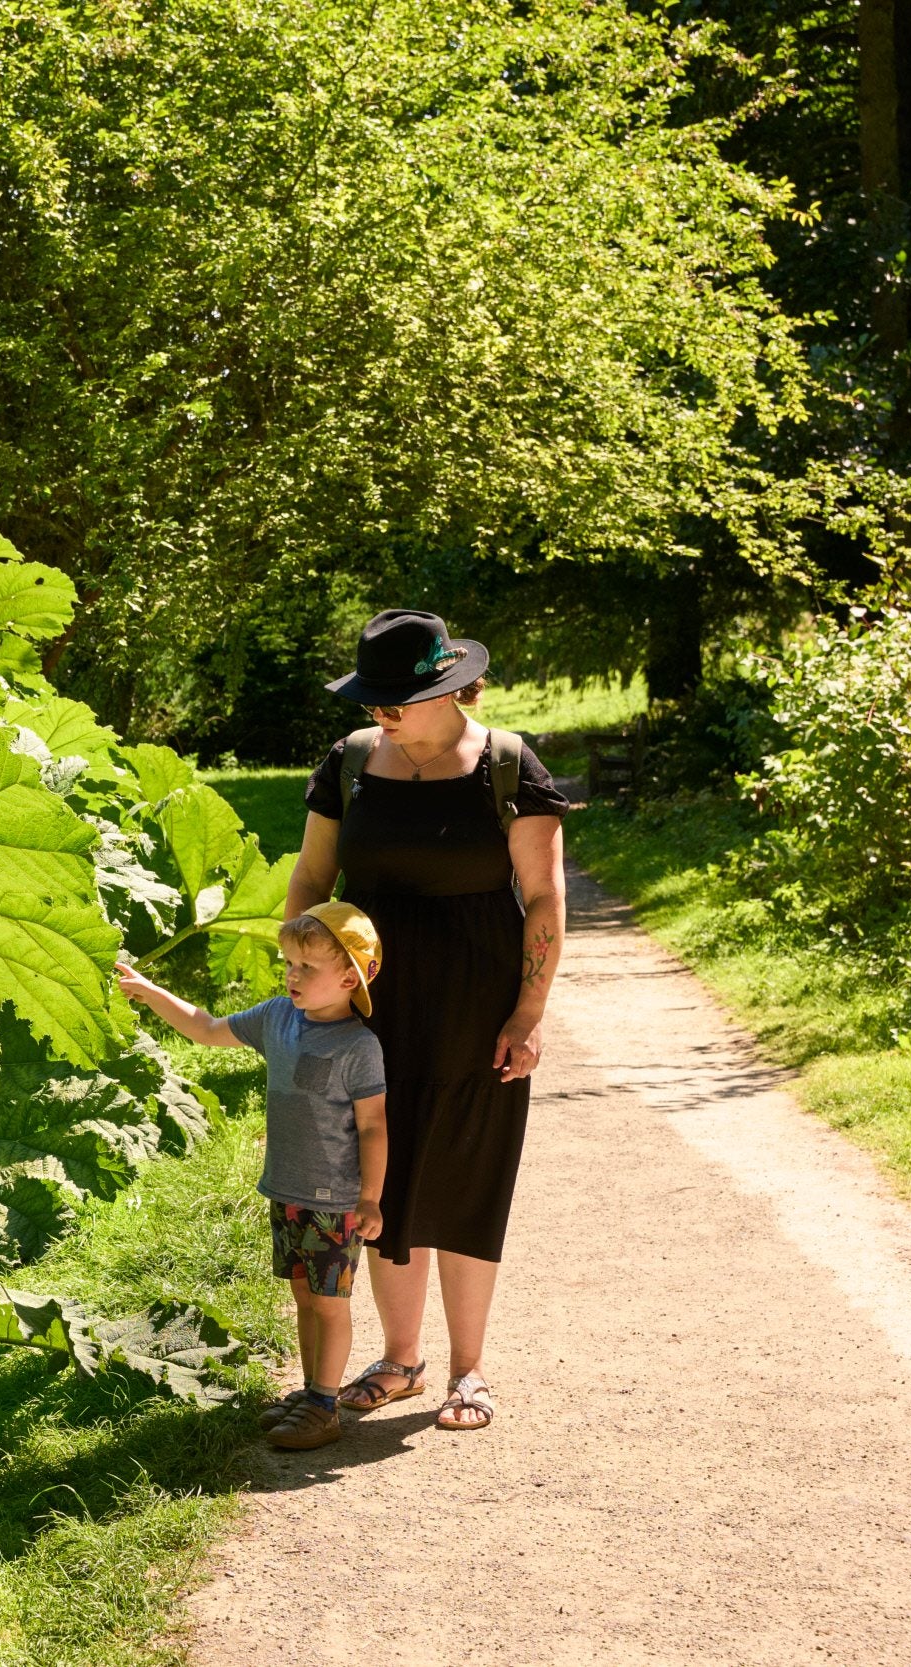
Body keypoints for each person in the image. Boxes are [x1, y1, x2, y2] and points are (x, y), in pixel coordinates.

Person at [287, 608, 569, 1432]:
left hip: (478, 1000)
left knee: (472, 1175)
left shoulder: (507, 765)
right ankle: (400, 1358)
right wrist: (303, 972)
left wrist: (529, 1010)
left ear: (447, 689)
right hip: (368, 1005)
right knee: (386, 1177)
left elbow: (546, 896)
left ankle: (468, 1368)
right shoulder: (349, 764)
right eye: (372, 697)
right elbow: (311, 875)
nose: (380, 711)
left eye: (394, 699)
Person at [117, 903, 387, 1452]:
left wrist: (371, 1199)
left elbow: (374, 1128)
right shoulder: (276, 1018)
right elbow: (209, 1029)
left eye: (306, 967)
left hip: (334, 1201)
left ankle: (325, 1407)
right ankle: (312, 1391)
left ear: (349, 977)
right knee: (304, 1298)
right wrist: (150, 991)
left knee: (330, 1303)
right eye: (288, 963)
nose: (291, 975)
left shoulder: (359, 1047)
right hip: (285, 1190)